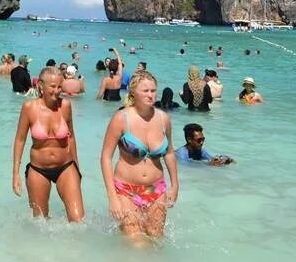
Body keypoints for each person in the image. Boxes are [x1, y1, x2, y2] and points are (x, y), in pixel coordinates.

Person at [100, 70, 179, 241]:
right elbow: (106, 157)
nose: (151, 95)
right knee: (135, 244)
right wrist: (112, 197)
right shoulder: (121, 118)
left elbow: (170, 153)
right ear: (133, 92)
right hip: (126, 190)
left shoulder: (163, 119)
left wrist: (175, 185)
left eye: (153, 91)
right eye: (146, 91)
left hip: (156, 189)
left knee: (156, 239)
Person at [12, 67, 84, 221]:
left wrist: (77, 167)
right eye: (52, 86)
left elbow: (71, 137)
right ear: (40, 86)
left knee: (78, 220)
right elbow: (20, 140)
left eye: (59, 86)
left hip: (66, 166)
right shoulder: (29, 108)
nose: (57, 91)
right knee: (40, 222)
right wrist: (15, 174)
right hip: (38, 170)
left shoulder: (65, 106)